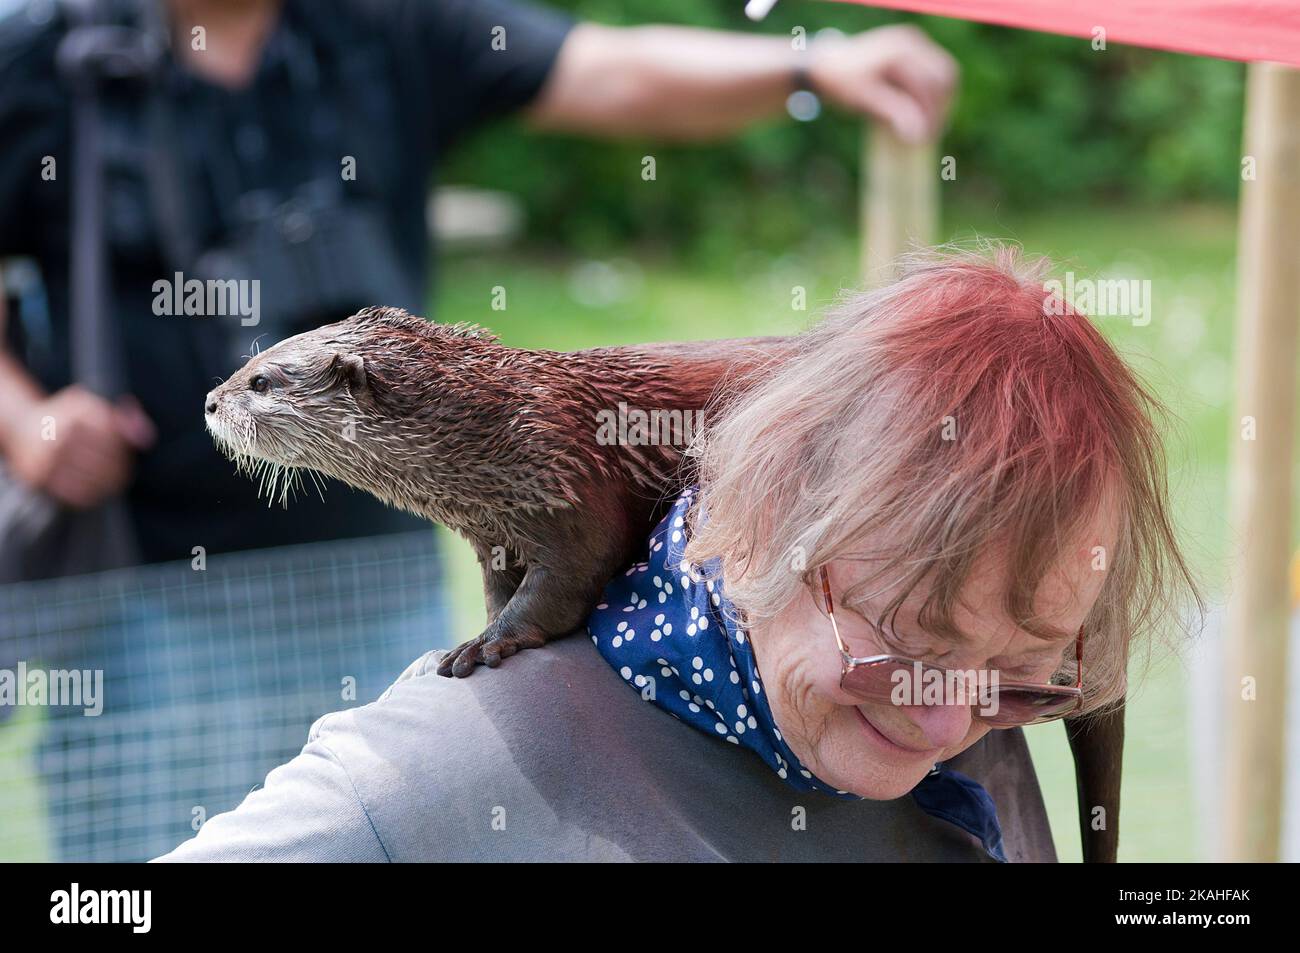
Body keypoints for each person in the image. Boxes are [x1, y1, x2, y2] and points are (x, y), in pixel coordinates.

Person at [0, 0, 957, 860]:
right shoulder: (45, 49)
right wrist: (25, 419)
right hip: (151, 586)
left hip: (381, 573)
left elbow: (606, 68)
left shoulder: (382, 25)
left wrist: (811, 65)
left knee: (397, 832)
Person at [157, 249, 1201, 862]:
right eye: (904, 640)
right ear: (743, 518)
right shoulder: (411, 790)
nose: (946, 715)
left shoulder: (960, 744)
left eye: (1020, 678)